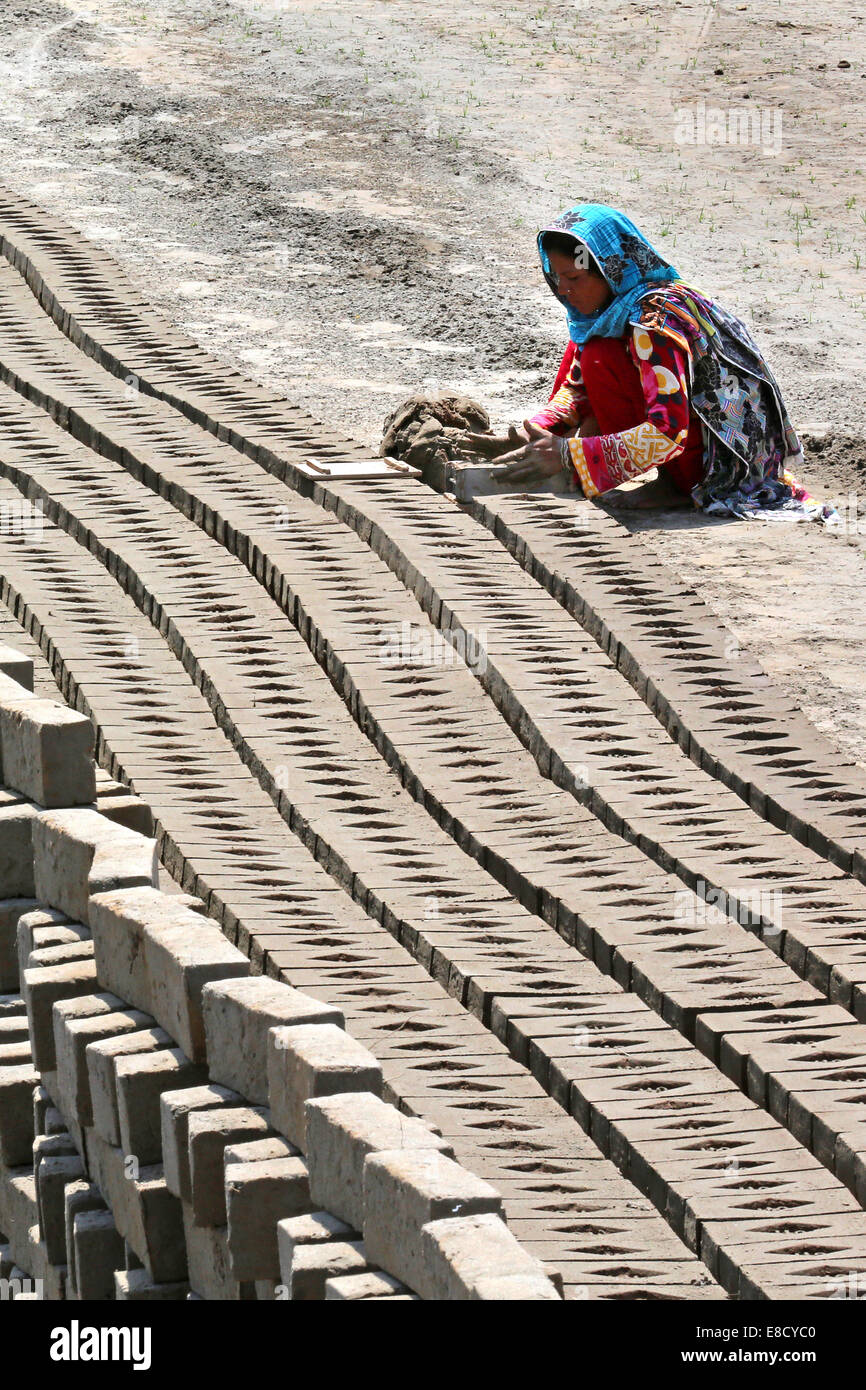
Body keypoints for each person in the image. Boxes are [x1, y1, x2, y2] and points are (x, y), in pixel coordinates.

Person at [475, 203, 828, 518]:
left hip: (721, 463)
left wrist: (569, 455)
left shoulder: (652, 321)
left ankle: (675, 486)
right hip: (693, 442)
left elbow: (668, 431)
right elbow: (577, 389)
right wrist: (533, 431)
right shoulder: (611, 312)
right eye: (556, 278)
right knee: (589, 348)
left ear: (611, 270)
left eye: (574, 278)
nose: (563, 290)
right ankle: (569, 461)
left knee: (599, 355)